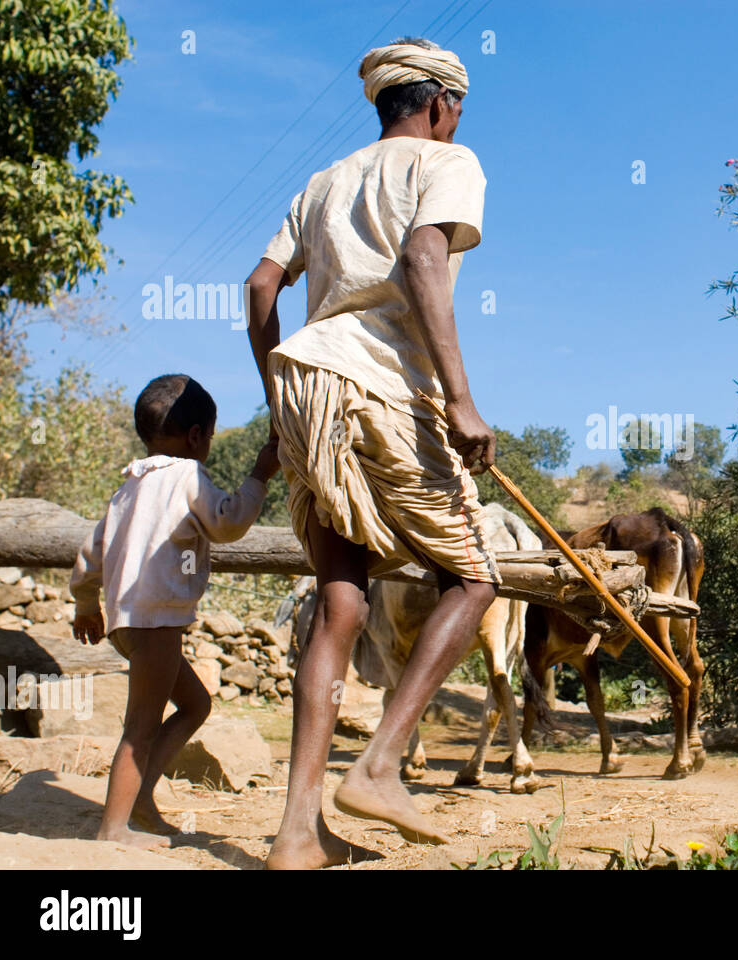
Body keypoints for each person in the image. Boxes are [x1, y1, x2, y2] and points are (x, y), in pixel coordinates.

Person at [246, 36, 501, 869]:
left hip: (306, 386)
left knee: (340, 600)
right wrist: (460, 402)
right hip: (387, 388)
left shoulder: (323, 182)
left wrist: (281, 402)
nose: (457, 121)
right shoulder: (446, 160)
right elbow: (425, 254)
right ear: (439, 106)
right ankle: (382, 764)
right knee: (474, 576)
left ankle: (295, 836)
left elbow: (260, 288)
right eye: (456, 110)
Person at [71, 373, 280, 848]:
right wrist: (259, 477)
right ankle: (113, 830)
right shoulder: (186, 476)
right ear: (197, 436)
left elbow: (90, 552)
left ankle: (139, 801)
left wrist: (86, 602)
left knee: (195, 704)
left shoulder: (127, 489)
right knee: (140, 728)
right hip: (158, 620)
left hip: (128, 622)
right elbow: (226, 524)